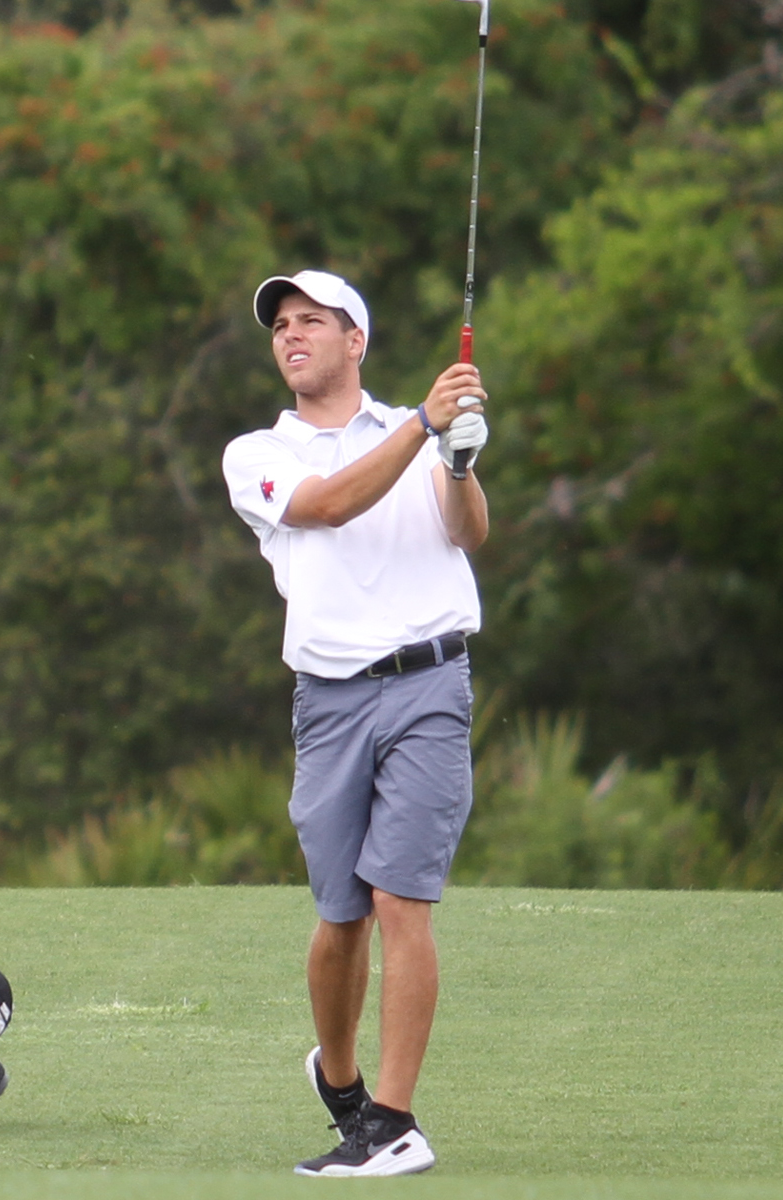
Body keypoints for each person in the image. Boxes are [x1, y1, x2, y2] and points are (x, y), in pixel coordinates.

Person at [221, 269, 489, 1177]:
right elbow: (328, 507)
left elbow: (469, 533)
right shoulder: (257, 450)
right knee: (341, 918)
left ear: (355, 341)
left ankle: (392, 1122)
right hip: (329, 698)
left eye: (312, 322)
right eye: (282, 325)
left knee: (399, 899)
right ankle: (339, 1081)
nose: (291, 335)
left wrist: (455, 460)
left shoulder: (412, 431)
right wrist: (424, 423)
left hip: (430, 682)